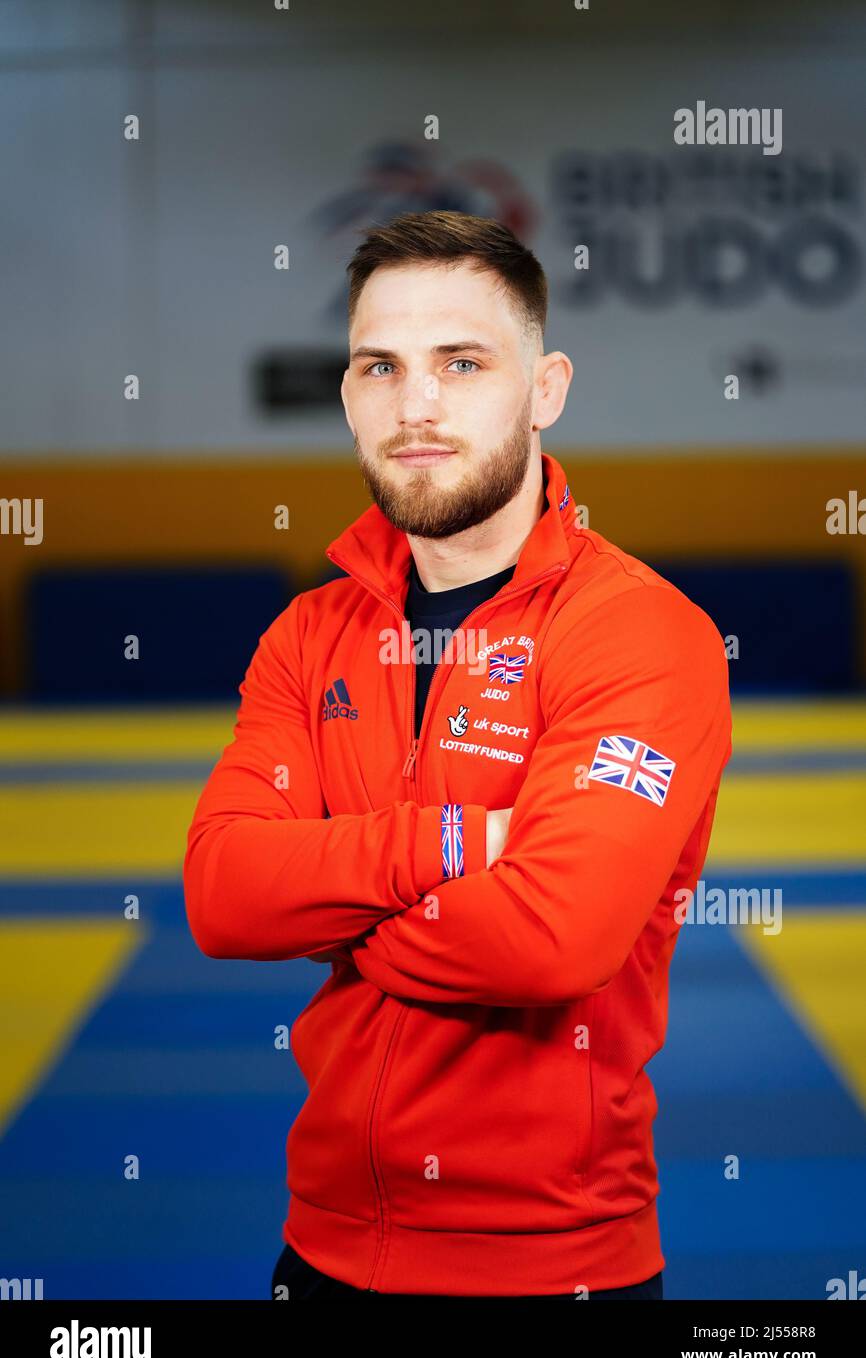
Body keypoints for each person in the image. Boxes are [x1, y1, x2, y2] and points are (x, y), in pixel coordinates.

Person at [183, 210, 732, 1300]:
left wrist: (336, 900)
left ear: (545, 388)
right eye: (379, 367)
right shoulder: (308, 635)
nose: (416, 405)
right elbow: (223, 896)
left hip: (553, 1268)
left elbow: (549, 940)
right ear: (348, 397)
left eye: (462, 363)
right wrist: (454, 842)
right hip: (323, 1250)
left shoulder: (638, 632)